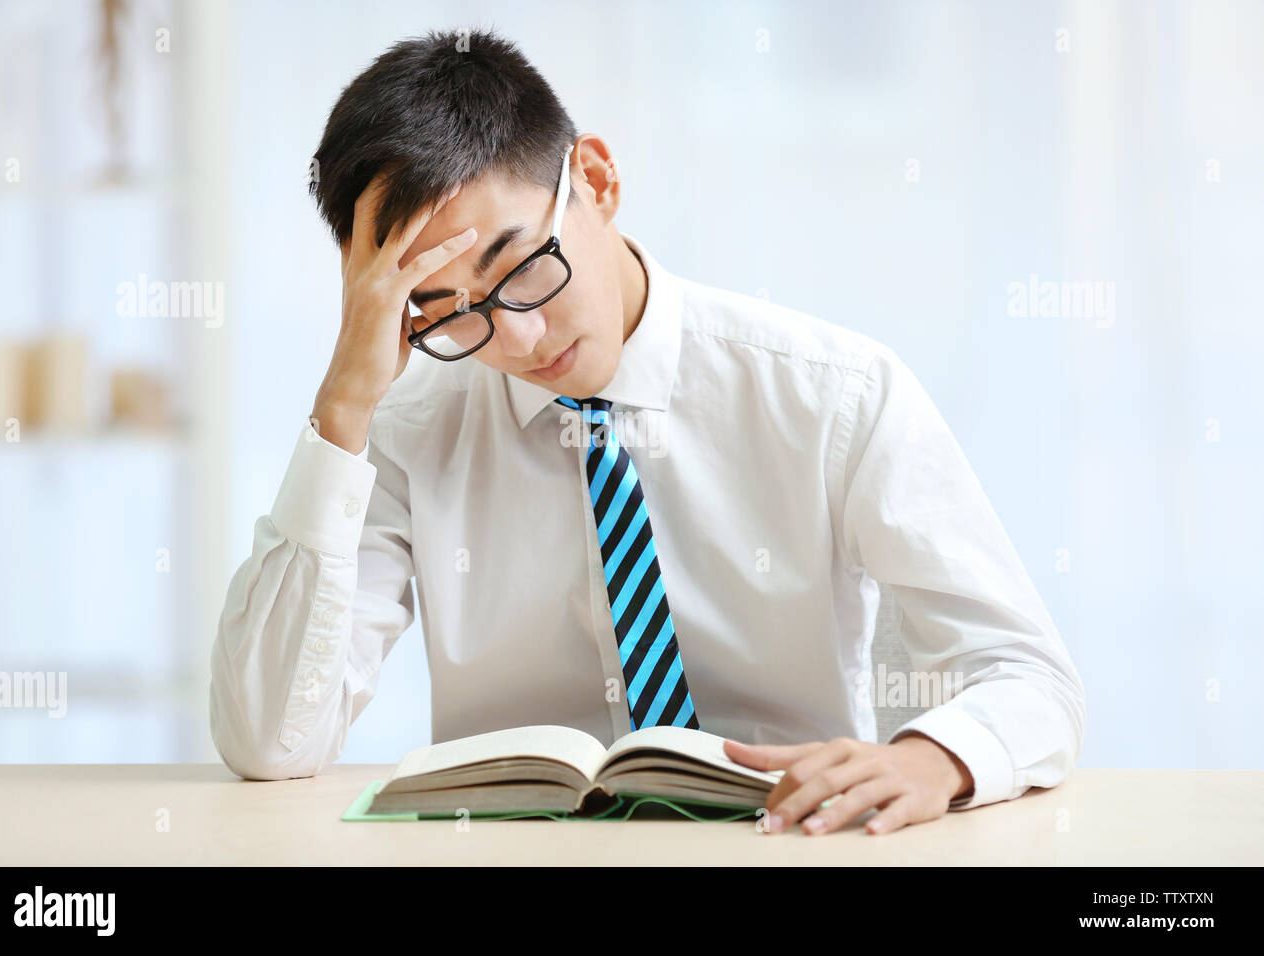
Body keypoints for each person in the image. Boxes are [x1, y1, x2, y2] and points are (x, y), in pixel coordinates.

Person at [209, 27, 1085, 837]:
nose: (515, 338)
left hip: (788, 844)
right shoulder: (405, 434)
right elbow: (271, 740)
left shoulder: (834, 395)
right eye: (447, 311)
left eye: (521, 269)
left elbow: (1027, 676)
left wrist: (933, 759)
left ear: (595, 181)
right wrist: (344, 408)